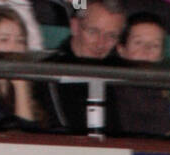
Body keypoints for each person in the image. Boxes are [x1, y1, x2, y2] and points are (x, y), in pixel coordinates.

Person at [37, 0, 125, 133]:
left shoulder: (121, 72)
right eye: (93, 31)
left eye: (111, 36)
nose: (101, 43)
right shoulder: (50, 73)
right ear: (75, 27)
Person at [0, 4, 44, 124]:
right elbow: (21, 137)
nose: (14, 48)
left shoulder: (33, 87)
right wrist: (21, 86)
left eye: (20, 41)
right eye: (4, 40)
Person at [109, 10, 170, 137]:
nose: (146, 50)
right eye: (138, 43)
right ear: (121, 49)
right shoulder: (113, 89)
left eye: (155, 45)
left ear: (161, 55)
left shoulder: (160, 89)